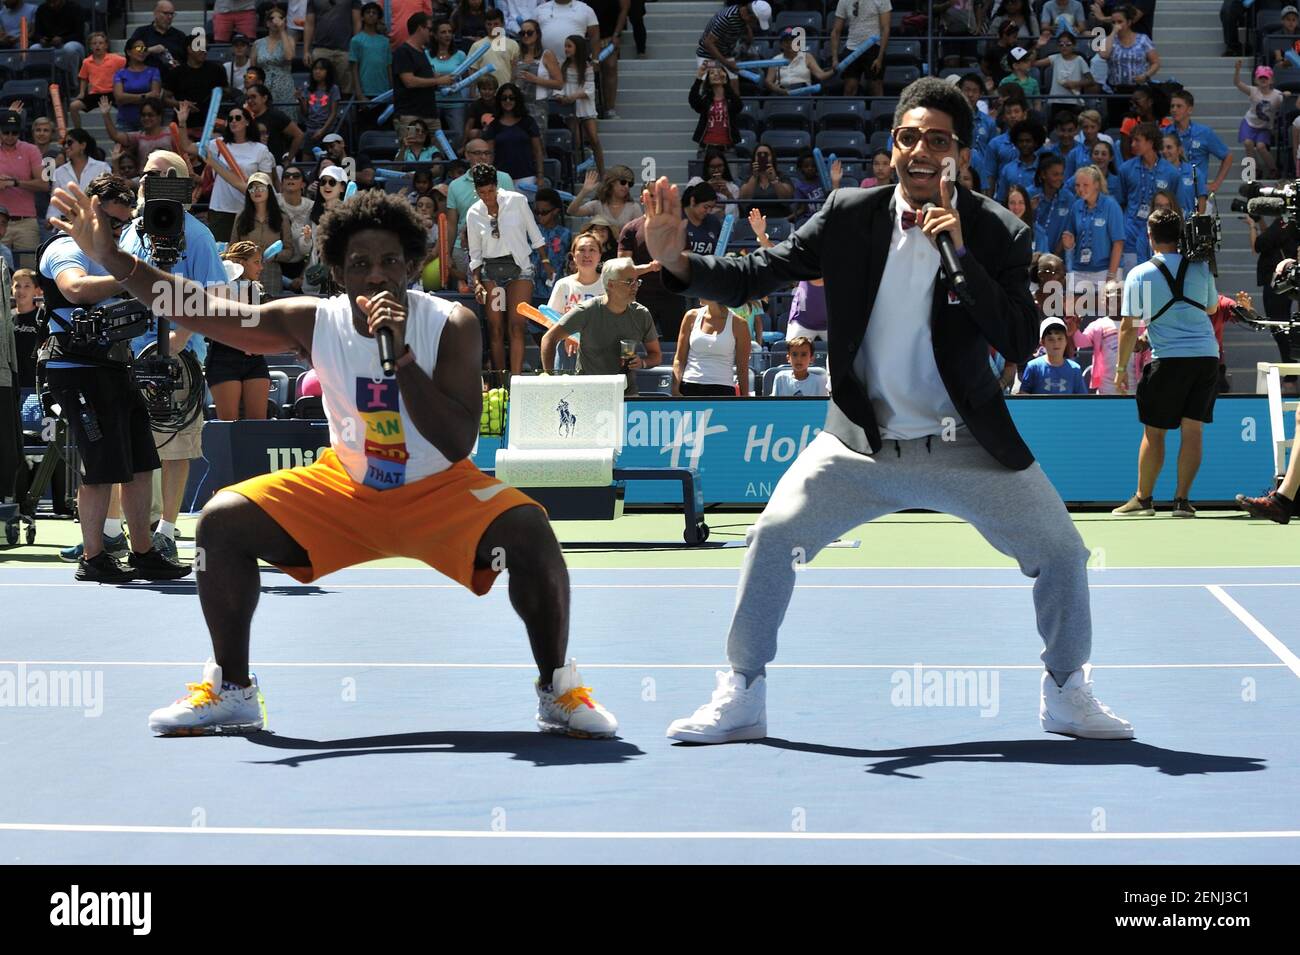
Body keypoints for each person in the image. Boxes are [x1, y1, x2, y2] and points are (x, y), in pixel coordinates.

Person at [642, 76, 1132, 743]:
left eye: (937, 139)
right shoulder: (849, 214)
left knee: (1065, 551)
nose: (920, 150)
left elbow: (1019, 338)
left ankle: (1067, 690)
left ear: (959, 152)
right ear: (892, 147)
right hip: (858, 446)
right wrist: (678, 263)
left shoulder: (998, 233)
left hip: (966, 443)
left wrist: (959, 253)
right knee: (771, 537)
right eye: (909, 137)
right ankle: (744, 693)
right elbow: (760, 271)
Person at [50, 181, 617, 739]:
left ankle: (558, 691)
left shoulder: (452, 324)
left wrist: (400, 356)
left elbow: (455, 441)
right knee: (222, 521)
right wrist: (115, 259)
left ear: (413, 266)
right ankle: (232, 691)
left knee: (530, 531)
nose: (376, 274)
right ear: (338, 273)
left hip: (442, 492)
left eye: (391, 260)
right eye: (360, 263)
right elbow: (198, 308)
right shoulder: (311, 319)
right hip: (345, 488)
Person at [37, 173, 190, 582]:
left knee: (141, 461)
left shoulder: (114, 250)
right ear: (90, 210)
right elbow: (75, 290)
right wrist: (130, 277)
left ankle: (143, 552)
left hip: (116, 363)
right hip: (77, 368)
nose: (117, 229)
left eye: (123, 223)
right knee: (102, 465)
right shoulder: (65, 247)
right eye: (111, 220)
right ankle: (94, 557)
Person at [1112, 207, 1220, 518]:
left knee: (1155, 432)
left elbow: (1129, 325)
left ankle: (1143, 500)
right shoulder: (1201, 268)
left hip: (1168, 361)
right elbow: (1211, 308)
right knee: (1193, 430)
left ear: (1150, 237)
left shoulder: (1140, 274)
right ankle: (1182, 501)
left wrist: (1120, 369)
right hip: (1205, 358)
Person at [465, 163, 552, 377]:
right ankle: (500, 381)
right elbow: (475, 254)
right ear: (476, 191)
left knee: (516, 326)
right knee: (495, 328)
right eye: (482, 192)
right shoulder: (473, 213)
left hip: (520, 269)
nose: (487, 196)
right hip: (490, 274)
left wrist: (546, 260)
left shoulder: (517, 201)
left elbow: (535, 233)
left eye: (490, 190)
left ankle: (516, 381)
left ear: (497, 186)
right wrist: (476, 283)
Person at [540, 256, 660, 394]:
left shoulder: (641, 314)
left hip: (626, 394)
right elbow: (549, 338)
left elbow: (656, 355)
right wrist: (549, 379)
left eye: (636, 281)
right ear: (610, 284)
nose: (635, 287)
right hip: (588, 394)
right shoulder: (586, 310)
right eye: (628, 281)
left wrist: (643, 362)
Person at [179, 105, 274, 242]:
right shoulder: (217, 144)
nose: (233, 121)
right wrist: (182, 122)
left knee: (246, 252)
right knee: (220, 251)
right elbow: (187, 147)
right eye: (230, 119)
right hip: (221, 207)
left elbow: (267, 182)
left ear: (247, 121)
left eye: (237, 118)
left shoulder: (260, 149)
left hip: (248, 209)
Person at [230, 172, 295, 295]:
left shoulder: (282, 218)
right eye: (252, 188)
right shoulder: (241, 217)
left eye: (261, 187)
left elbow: (289, 251)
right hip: (245, 274)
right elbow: (232, 248)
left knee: (271, 309)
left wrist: (274, 255)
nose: (256, 191)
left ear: (269, 190)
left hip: (271, 273)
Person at [672, 297, 749, 396]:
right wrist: (674, 389)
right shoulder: (691, 316)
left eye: (704, 289)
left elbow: (742, 367)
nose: (699, 293)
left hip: (723, 389)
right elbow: (679, 359)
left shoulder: (740, 324)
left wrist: (745, 400)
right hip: (688, 386)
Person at [1098, 5, 1158, 128]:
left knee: (1138, 126)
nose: (1117, 25)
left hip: (1138, 91)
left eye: (1120, 22)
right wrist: (1113, 32)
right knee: (1116, 125)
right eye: (1113, 22)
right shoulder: (1109, 40)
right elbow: (1104, 54)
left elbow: (1156, 62)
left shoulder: (1143, 39)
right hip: (1116, 91)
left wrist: (1146, 75)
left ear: (1129, 22)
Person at [694, 1, 770, 93]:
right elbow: (708, 43)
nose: (755, 24)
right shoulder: (726, 19)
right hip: (708, 55)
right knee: (713, 88)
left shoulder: (743, 18)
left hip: (726, 53)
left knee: (735, 89)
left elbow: (748, 39)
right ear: (747, 14)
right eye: (755, 21)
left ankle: (734, 107)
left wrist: (748, 31)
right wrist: (726, 63)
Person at [0, 110, 44, 266]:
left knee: (29, 273)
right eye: (6, 132)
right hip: (0, 220)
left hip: (26, 221)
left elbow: (44, 184)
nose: (10, 136)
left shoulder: (32, 150)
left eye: (14, 132)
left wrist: (15, 183)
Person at [555, 34, 602, 175]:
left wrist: (573, 96)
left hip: (585, 106)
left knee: (594, 138)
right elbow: (560, 85)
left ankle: (602, 171)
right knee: (575, 140)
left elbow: (589, 89)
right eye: (565, 46)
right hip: (570, 108)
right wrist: (561, 96)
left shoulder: (587, 67)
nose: (566, 49)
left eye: (569, 46)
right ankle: (575, 171)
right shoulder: (563, 66)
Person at [482, 83, 546, 185]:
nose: (508, 101)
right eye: (504, 98)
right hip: (501, 178)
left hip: (526, 177)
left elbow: (538, 151)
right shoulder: (494, 125)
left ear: (517, 100)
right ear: (499, 100)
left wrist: (540, 175)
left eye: (512, 98)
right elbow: (490, 153)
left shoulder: (528, 122)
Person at [1234, 61, 1289, 180]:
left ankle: (1273, 169)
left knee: (1261, 147)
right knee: (1248, 143)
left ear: (1271, 80)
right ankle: (1253, 169)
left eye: (1266, 78)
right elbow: (1238, 83)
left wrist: (1286, 95)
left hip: (1264, 127)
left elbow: (1284, 100)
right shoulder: (1253, 91)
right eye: (1260, 78)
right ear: (1256, 80)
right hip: (1249, 123)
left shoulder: (1276, 95)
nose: (1263, 80)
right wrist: (1237, 70)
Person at [163, 35, 230, 130]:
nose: (204, 50)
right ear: (189, 49)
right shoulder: (176, 72)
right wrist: (182, 104)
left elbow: (227, 91)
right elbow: (165, 98)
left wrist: (216, 94)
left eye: (206, 47)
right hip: (183, 125)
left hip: (210, 125)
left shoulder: (217, 69)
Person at [830, 0, 889, 98]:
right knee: (849, 89)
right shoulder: (843, 1)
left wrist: (880, 58)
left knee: (875, 88)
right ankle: (847, 113)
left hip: (874, 48)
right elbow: (836, 31)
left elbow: (885, 29)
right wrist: (834, 59)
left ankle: (878, 112)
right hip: (852, 48)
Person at [304, 0, 361, 98]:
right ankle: (319, 112)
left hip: (345, 49)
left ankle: (345, 113)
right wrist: (305, 51)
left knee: (346, 88)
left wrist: (356, 48)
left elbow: (357, 22)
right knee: (318, 87)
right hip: (320, 48)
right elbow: (309, 23)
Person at [516, 19, 564, 134]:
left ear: (537, 34)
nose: (526, 36)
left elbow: (559, 83)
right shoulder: (517, 55)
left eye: (530, 32)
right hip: (517, 106)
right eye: (522, 33)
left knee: (538, 144)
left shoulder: (546, 55)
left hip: (537, 106)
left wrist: (535, 79)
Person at [69, 32, 125, 129]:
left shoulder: (116, 59)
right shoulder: (87, 62)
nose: (97, 46)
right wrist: (82, 92)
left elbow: (128, 67)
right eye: (94, 43)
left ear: (106, 45)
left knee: (127, 105)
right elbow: (83, 78)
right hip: (95, 94)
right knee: (74, 106)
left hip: (112, 92)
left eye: (100, 43)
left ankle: (125, 128)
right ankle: (78, 131)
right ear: (90, 46)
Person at [1017, 317, 1088, 393]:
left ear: (1066, 341)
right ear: (1042, 342)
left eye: (1060, 338)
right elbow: (1023, 397)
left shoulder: (1075, 369)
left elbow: (1082, 400)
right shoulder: (1033, 367)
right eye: (1051, 339)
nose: (1056, 343)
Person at [244, 83, 306, 167]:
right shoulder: (247, 118)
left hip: (274, 166)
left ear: (264, 98)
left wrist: (289, 159)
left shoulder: (275, 115)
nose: (250, 101)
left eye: (253, 97)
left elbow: (299, 135)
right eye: (248, 98)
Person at [765, 25, 835, 96]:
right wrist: (781, 91)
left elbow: (821, 75)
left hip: (803, 94)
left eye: (793, 40)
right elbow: (768, 82)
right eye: (786, 41)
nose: (790, 43)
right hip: (782, 95)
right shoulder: (775, 60)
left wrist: (834, 70)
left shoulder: (807, 57)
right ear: (781, 45)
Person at [689, 61, 743, 152]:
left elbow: (738, 106)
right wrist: (699, 78)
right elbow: (693, 101)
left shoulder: (730, 97)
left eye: (718, 72)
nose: (715, 75)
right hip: (706, 146)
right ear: (708, 78)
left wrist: (726, 83)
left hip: (728, 147)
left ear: (724, 75)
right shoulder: (706, 98)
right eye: (712, 73)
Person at [252, 5, 298, 108]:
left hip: (285, 86)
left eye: (280, 18)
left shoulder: (289, 40)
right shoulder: (257, 43)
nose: (276, 21)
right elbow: (252, 70)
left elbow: (289, 57)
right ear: (267, 23)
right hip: (264, 88)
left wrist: (282, 31)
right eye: (272, 18)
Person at [50, 129, 112, 207]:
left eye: (69, 142)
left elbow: (110, 196)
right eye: (64, 143)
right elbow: (54, 202)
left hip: (98, 216)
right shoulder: (59, 172)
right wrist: (51, 217)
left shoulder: (102, 168)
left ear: (83, 145)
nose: (66, 146)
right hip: (68, 217)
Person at [113, 38, 163, 132]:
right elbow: (119, 98)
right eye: (138, 48)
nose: (142, 52)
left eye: (144, 49)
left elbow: (155, 96)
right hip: (125, 121)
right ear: (129, 52)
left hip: (149, 122)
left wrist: (128, 98)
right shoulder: (120, 73)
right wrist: (145, 96)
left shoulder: (153, 71)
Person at [568, 166, 640, 230]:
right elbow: (572, 211)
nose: (626, 186)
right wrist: (584, 191)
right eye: (623, 182)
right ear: (612, 182)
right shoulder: (597, 205)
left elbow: (640, 231)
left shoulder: (634, 207)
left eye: (630, 184)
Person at [128, 1, 188, 72]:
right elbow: (133, 50)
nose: (169, 17)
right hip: (146, 77)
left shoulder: (180, 35)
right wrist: (150, 49)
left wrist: (178, 65)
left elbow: (187, 60)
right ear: (155, 13)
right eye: (165, 13)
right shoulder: (142, 32)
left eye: (172, 14)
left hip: (173, 78)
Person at [298, 57, 343, 152]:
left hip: (327, 129)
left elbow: (333, 114)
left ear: (328, 72)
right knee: (306, 158)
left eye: (321, 69)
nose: (317, 71)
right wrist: (300, 99)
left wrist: (322, 130)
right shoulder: (308, 89)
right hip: (310, 129)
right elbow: (305, 113)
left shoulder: (333, 89)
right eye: (315, 69)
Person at [470, 7, 521, 88]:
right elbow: (473, 72)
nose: (492, 27)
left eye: (496, 24)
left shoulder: (513, 44)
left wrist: (511, 89)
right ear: (485, 25)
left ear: (503, 24)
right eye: (489, 24)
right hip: (483, 93)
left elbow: (515, 70)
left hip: (505, 93)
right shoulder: (476, 45)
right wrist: (472, 93)